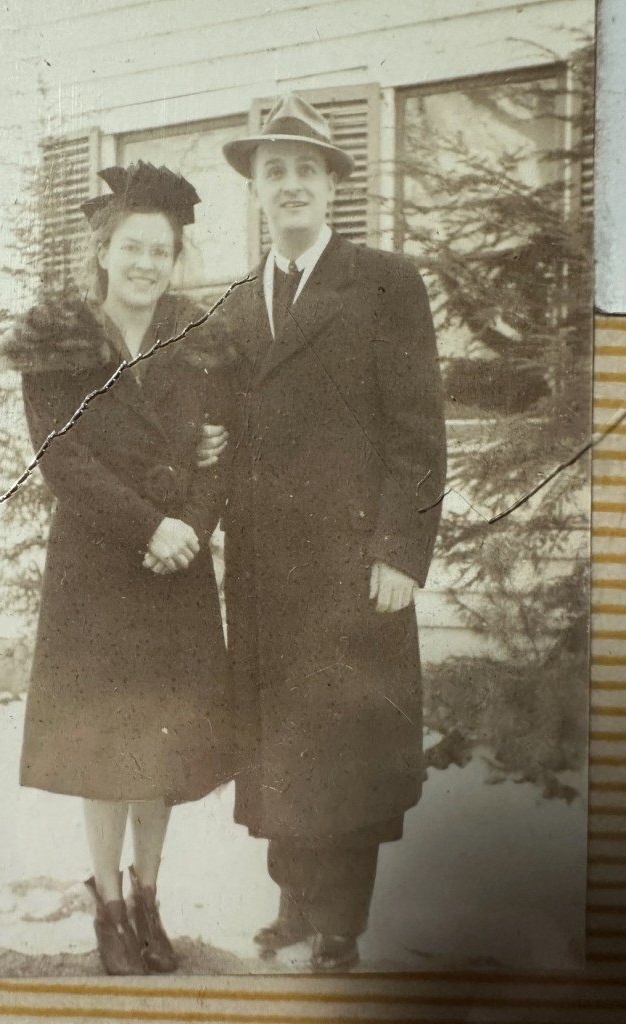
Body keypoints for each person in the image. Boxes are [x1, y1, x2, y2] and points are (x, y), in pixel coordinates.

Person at [214, 94, 447, 971]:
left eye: (304, 169)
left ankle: (340, 925)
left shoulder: (385, 281)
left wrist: (402, 550)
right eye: (273, 172)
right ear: (257, 192)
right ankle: (294, 904)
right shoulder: (239, 305)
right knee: (281, 735)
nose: (289, 185)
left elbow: (419, 433)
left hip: (355, 562)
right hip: (267, 565)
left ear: (330, 186)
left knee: (344, 741)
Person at [0, 160, 234, 976]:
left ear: (176, 261)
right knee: (105, 747)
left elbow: (219, 450)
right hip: (98, 568)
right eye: (131, 248)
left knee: (159, 749)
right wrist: (152, 526)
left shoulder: (202, 343)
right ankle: (106, 907)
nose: (144, 264)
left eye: (160, 252)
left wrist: (193, 526)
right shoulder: (59, 340)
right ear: (104, 251)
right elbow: (63, 458)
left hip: (177, 567)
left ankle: (147, 901)